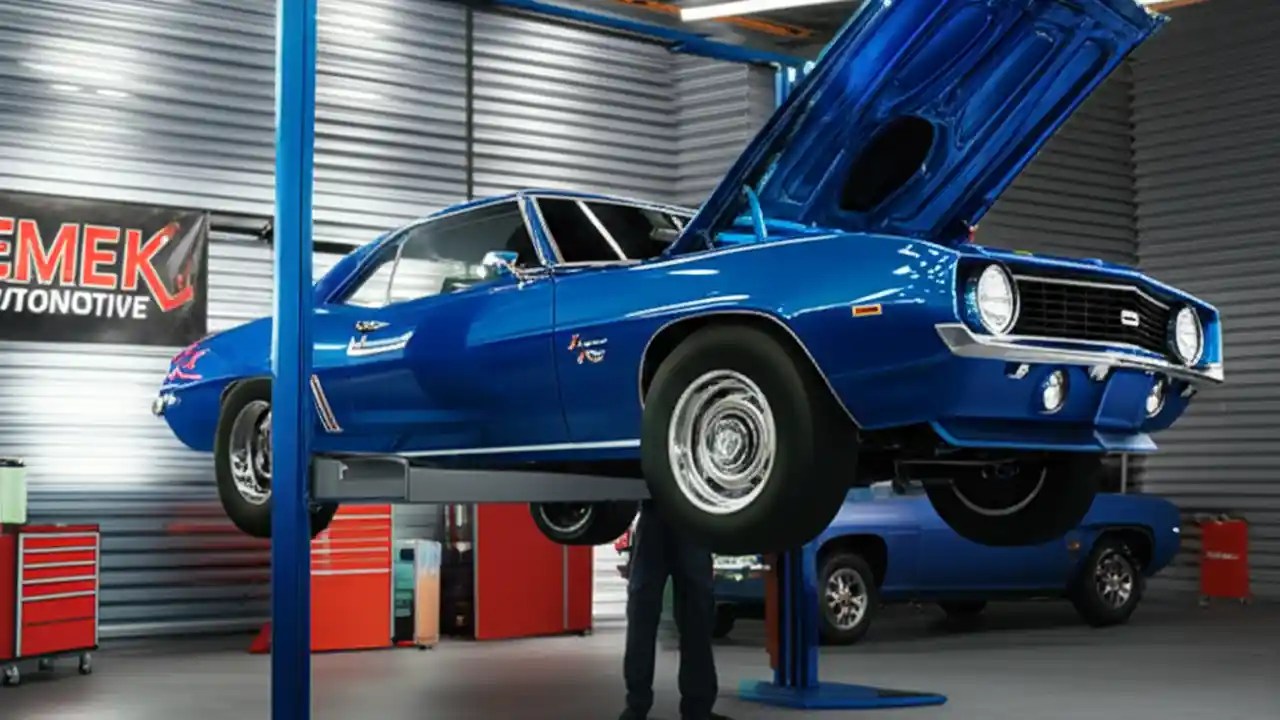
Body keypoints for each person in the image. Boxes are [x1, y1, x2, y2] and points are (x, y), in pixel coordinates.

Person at [619, 500, 731, 720]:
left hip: (664, 512)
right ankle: (695, 708)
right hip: (688, 514)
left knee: (646, 612)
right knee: (691, 616)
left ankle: (638, 706)